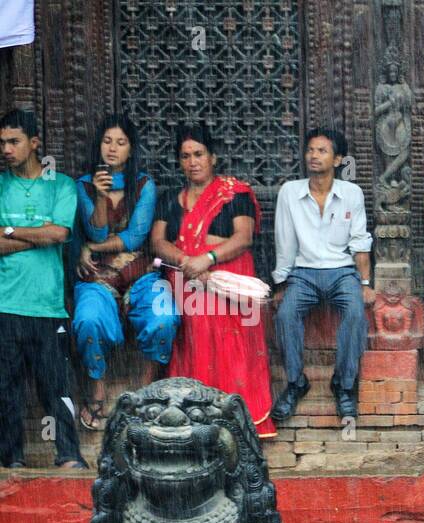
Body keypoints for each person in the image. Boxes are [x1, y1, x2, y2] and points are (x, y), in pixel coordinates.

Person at [150, 123, 275, 438]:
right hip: (185, 277)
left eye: (199, 154)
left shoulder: (235, 193)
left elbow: (243, 237)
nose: (192, 162)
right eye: (185, 156)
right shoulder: (170, 198)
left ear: (213, 157)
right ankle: (195, 415)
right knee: (193, 319)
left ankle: (232, 417)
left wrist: (207, 258)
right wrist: (186, 262)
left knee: (223, 324)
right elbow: (159, 242)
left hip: (227, 277)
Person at [70, 113, 178, 431]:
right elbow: (98, 231)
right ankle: (98, 389)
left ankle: (145, 391)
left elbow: (136, 236)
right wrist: (101, 198)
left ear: (131, 149)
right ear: (98, 146)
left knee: (165, 317)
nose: (113, 149)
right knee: (87, 320)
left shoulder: (144, 185)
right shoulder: (84, 186)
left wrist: (91, 248)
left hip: (141, 274)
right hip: (97, 278)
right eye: (107, 141)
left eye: (121, 142)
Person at [0, 109, 87, 469]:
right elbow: (47, 235)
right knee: (6, 389)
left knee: (56, 387)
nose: (5, 149)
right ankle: (10, 458)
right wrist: (38, 235)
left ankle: (68, 455)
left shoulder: (61, 185)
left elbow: (60, 235)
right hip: (6, 304)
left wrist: (7, 231)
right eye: (2, 142)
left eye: (14, 141)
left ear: (35, 143)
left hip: (48, 306)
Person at [270, 128, 374, 422]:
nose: (314, 156)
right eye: (311, 150)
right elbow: (285, 240)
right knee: (285, 315)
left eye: (322, 151)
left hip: (342, 272)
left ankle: (343, 384)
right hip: (304, 273)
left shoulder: (351, 193)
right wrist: (282, 283)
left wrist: (364, 283)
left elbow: (360, 241)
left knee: (355, 314)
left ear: (338, 159)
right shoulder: (290, 191)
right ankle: (295, 383)